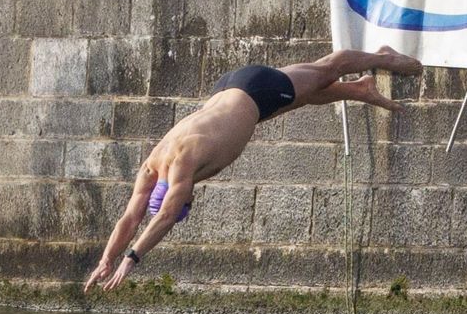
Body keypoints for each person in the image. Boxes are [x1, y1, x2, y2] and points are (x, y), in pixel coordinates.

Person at [83, 48, 421, 291]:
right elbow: (130, 217)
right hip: (234, 93)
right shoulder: (151, 167)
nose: (189, 200)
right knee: (298, 95)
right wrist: (106, 258)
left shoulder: (183, 164)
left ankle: (383, 58)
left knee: (327, 69)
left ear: (182, 197)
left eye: (186, 201)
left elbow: (166, 216)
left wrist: (131, 258)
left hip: (253, 89)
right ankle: (360, 89)